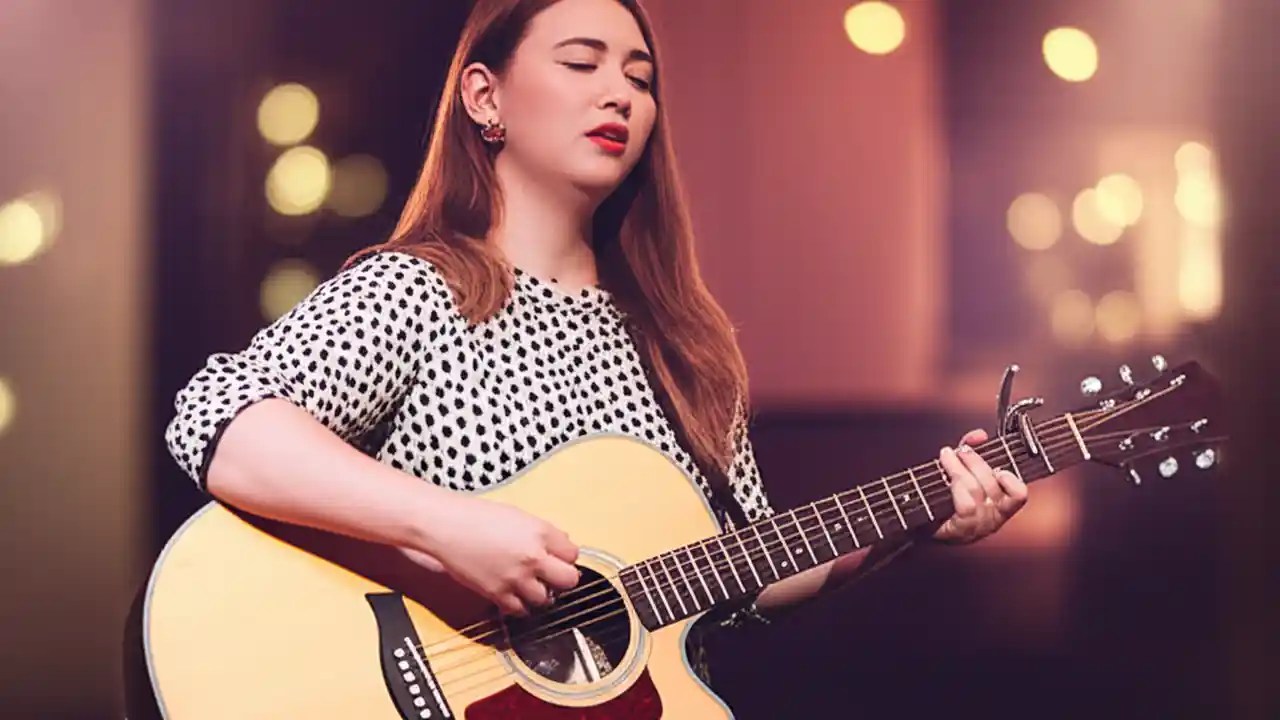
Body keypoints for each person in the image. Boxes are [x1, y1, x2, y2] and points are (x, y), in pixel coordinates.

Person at [159, 0, 1028, 700]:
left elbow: (741, 574)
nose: (619, 94)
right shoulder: (419, 290)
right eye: (582, 64)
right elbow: (219, 421)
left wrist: (908, 529)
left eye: (640, 79)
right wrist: (450, 527)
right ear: (484, 97)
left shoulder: (686, 342)